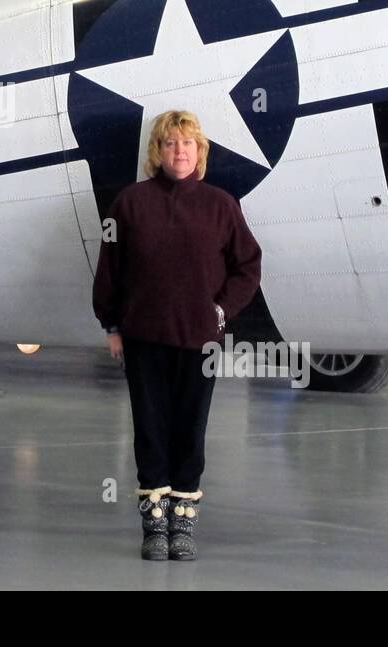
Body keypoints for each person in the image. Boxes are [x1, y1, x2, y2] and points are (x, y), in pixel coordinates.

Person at [92, 109, 262, 561]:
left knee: (190, 429)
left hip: (200, 340)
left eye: (188, 143)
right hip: (143, 338)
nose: (179, 151)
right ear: (157, 151)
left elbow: (248, 265)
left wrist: (222, 310)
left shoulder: (222, 205)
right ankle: (153, 525)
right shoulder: (129, 204)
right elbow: (109, 271)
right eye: (170, 143)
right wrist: (111, 324)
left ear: (199, 151)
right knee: (149, 428)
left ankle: (183, 522)